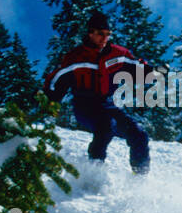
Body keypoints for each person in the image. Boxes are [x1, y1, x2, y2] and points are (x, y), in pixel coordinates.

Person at [43, 10, 157, 174]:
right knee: (105, 127)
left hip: (107, 104)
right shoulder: (76, 57)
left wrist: (152, 71)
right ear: (90, 33)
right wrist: (49, 101)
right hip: (84, 106)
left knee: (138, 133)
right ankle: (93, 174)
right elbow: (57, 80)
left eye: (108, 34)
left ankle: (140, 177)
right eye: (100, 34)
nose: (104, 38)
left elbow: (136, 68)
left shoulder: (118, 54)